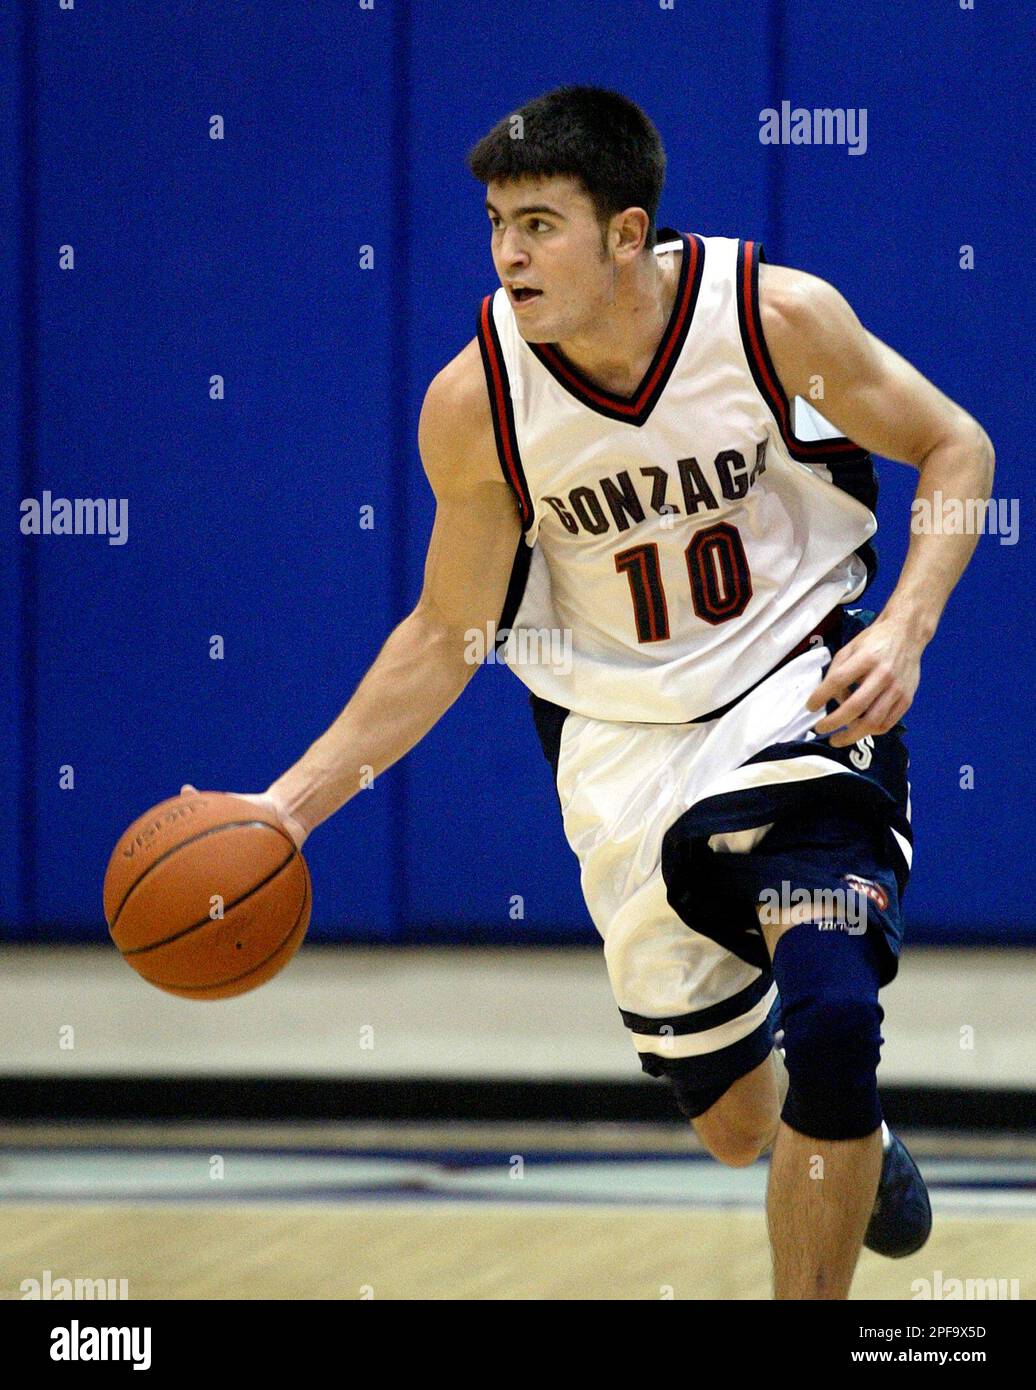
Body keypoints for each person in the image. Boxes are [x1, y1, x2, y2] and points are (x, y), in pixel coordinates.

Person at [185, 86, 994, 1299]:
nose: (508, 250)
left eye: (539, 222)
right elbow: (446, 631)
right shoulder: (477, 403)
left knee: (832, 1017)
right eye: (497, 221)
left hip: (794, 692)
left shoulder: (772, 320)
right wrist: (289, 809)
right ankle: (845, 1147)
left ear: (627, 233)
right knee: (733, 1122)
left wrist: (906, 625)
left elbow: (956, 445)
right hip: (619, 742)